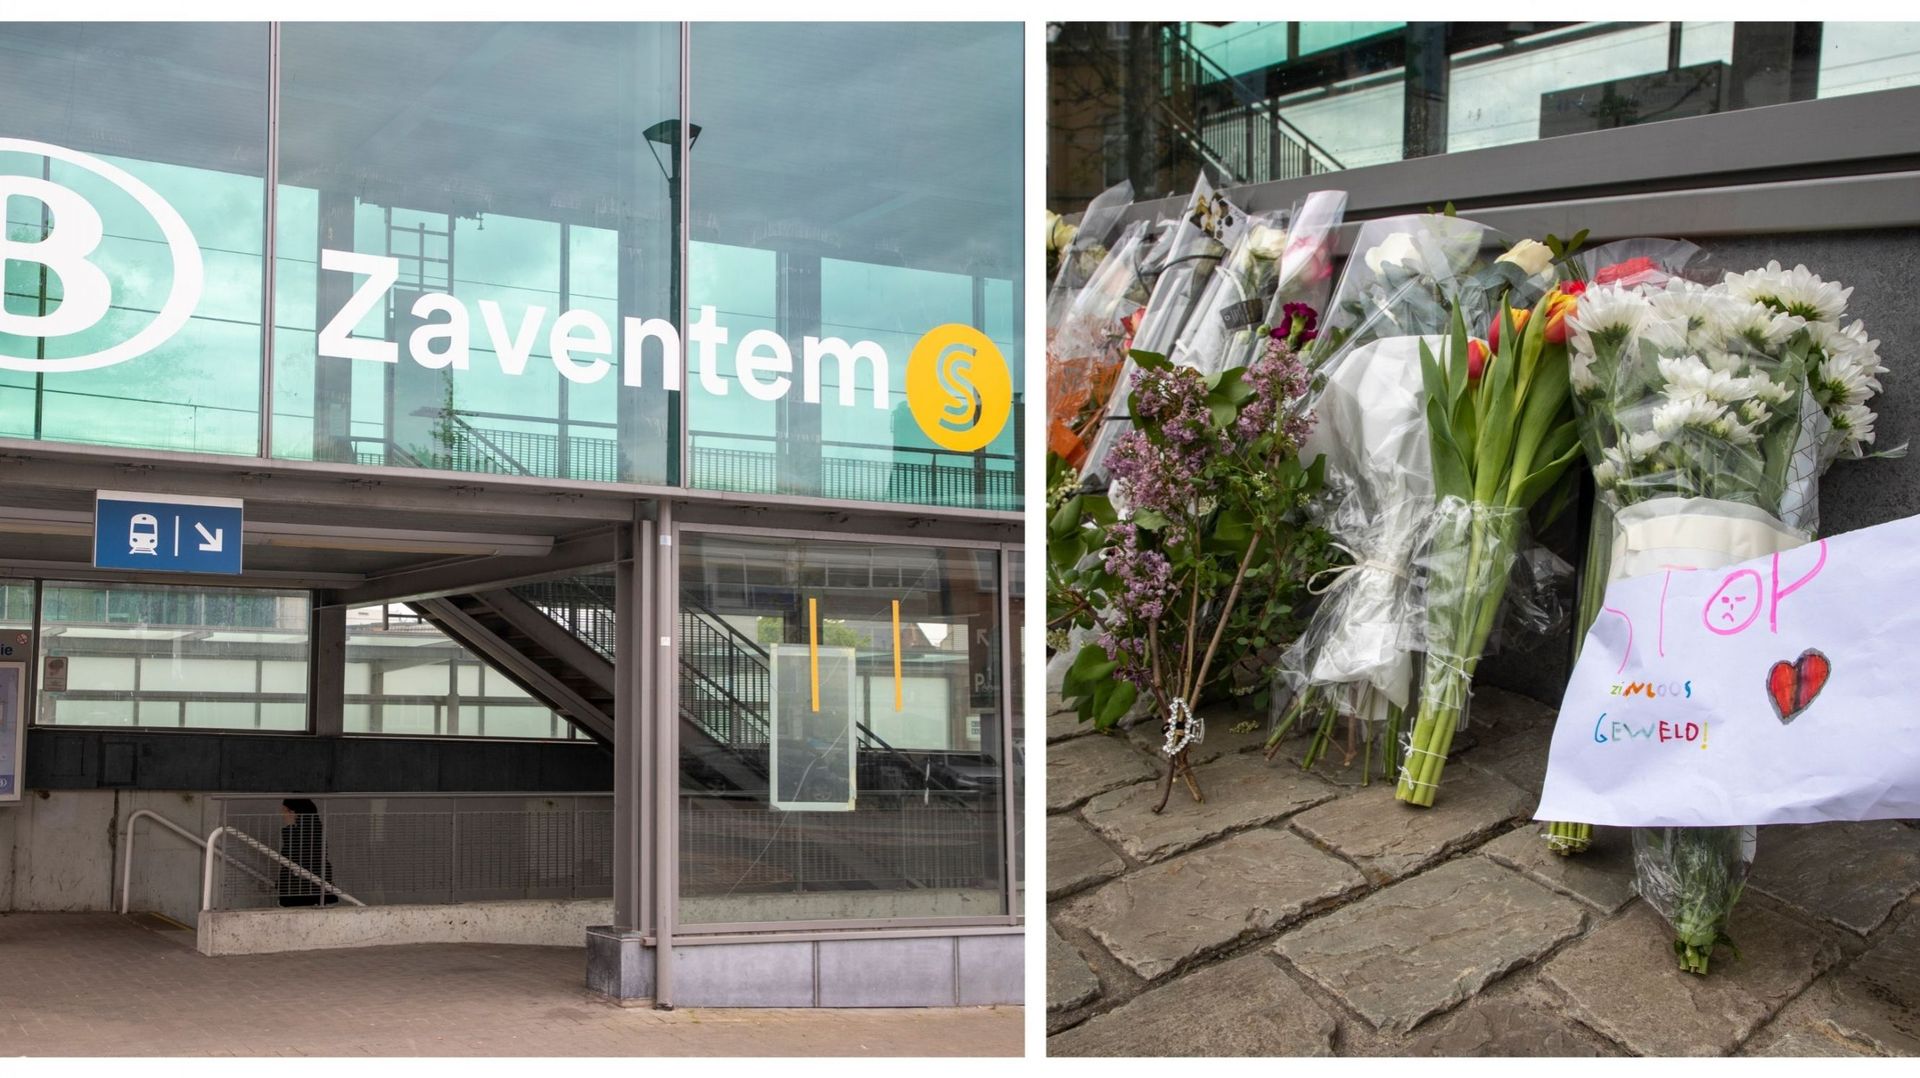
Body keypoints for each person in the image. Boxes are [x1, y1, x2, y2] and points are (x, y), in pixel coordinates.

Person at [276, 797, 339, 907]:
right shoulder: (314, 830)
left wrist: (289, 828)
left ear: (294, 813)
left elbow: (291, 856)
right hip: (308, 889)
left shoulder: (305, 833)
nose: (282, 814)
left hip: (303, 891)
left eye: (285, 811)